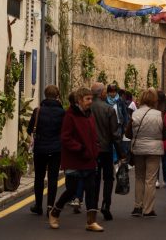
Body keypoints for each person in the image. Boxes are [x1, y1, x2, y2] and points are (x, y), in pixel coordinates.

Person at [50, 87, 104, 232]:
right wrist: (80, 149)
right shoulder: (70, 115)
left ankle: (91, 222)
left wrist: (95, 148)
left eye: (91, 99)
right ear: (79, 100)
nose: (90, 102)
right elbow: (65, 138)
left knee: (91, 190)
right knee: (71, 190)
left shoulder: (89, 115)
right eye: (87, 99)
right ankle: (55, 212)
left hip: (89, 159)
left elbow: (93, 136)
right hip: (75, 159)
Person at [28, 85, 66, 215]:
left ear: (45, 95)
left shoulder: (37, 111)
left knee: (39, 177)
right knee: (53, 178)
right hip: (56, 149)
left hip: (40, 149)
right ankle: (50, 206)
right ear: (57, 96)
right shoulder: (62, 113)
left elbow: (29, 129)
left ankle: (38, 205)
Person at [129, 88, 164, 217]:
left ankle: (137, 206)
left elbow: (129, 131)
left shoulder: (135, 114)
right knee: (150, 179)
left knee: (139, 177)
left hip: (139, 148)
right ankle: (148, 209)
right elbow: (164, 132)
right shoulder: (159, 114)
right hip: (154, 148)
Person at [90, 82, 122, 221]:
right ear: (102, 93)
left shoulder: (87, 108)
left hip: (92, 149)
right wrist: (122, 153)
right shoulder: (109, 109)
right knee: (108, 178)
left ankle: (93, 206)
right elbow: (115, 133)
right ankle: (106, 204)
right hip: (106, 149)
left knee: (94, 178)